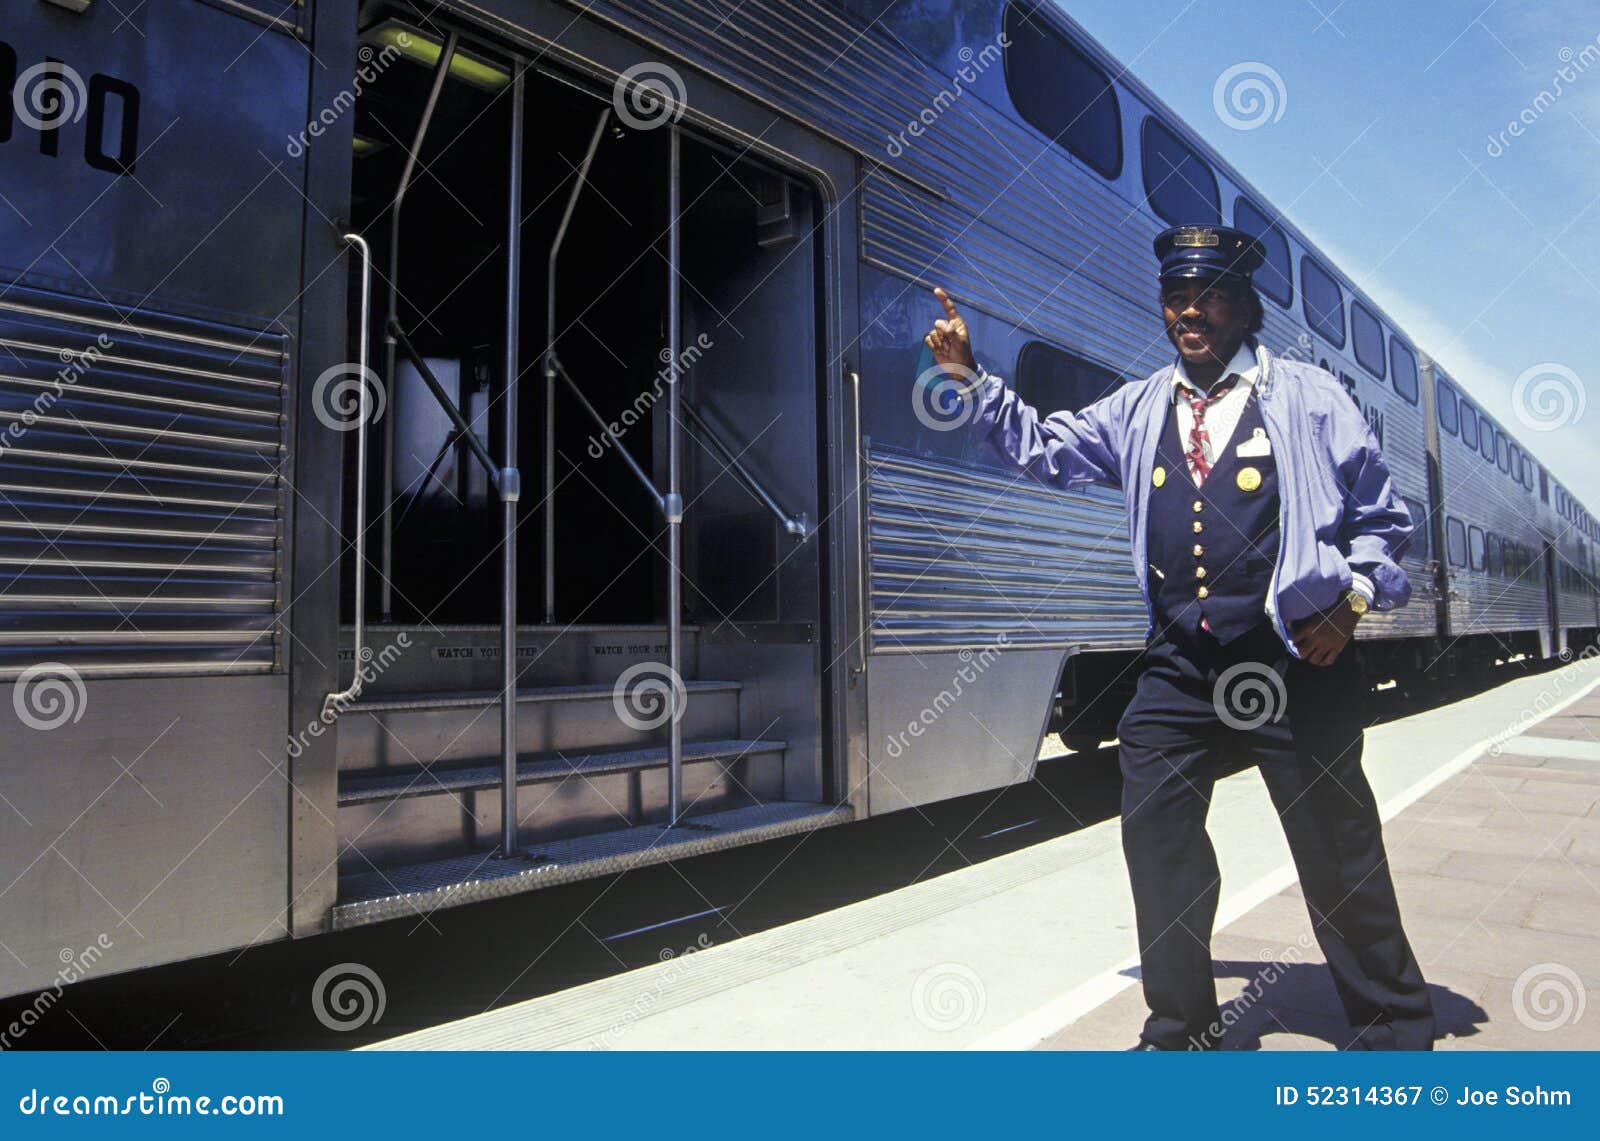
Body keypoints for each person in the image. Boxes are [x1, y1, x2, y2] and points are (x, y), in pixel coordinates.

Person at [922, 224, 1436, 1051]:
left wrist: (1356, 598)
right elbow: (1048, 452)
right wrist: (970, 380)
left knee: (1334, 839)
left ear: (1244, 308)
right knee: (1155, 832)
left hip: (1292, 652)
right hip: (1178, 659)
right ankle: (1181, 1027)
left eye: (1211, 295)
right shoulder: (1140, 404)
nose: (1190, 311)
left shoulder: (1308, 395)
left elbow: (1382, 516)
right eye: (1177, 297)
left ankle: (1392, 1022)